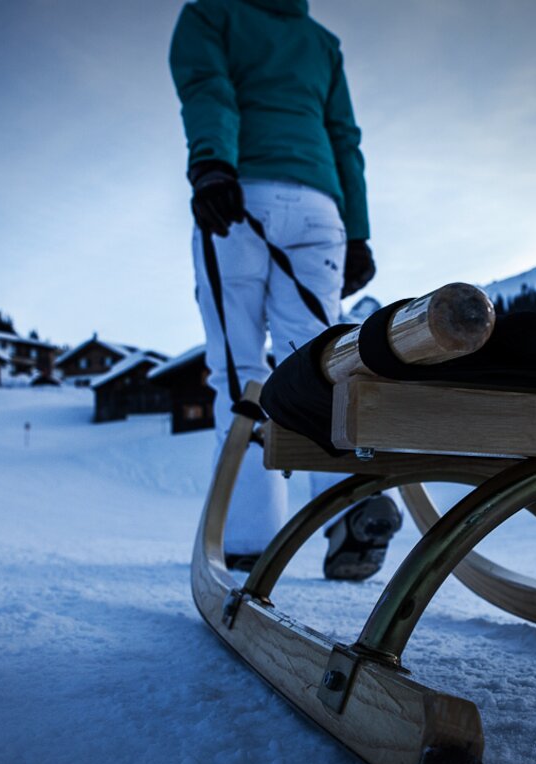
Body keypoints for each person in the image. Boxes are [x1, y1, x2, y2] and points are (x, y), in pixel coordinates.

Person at [169, 0, 401, 579]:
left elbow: (208, 87)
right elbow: (344, 137)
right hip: (320, 209)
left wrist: (213, 163)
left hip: (239, 196)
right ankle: (350, 507)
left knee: (239, 369)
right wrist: (360, 235)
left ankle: (249, 539)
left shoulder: (210, 15)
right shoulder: (320, 42)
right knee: (319, 364)